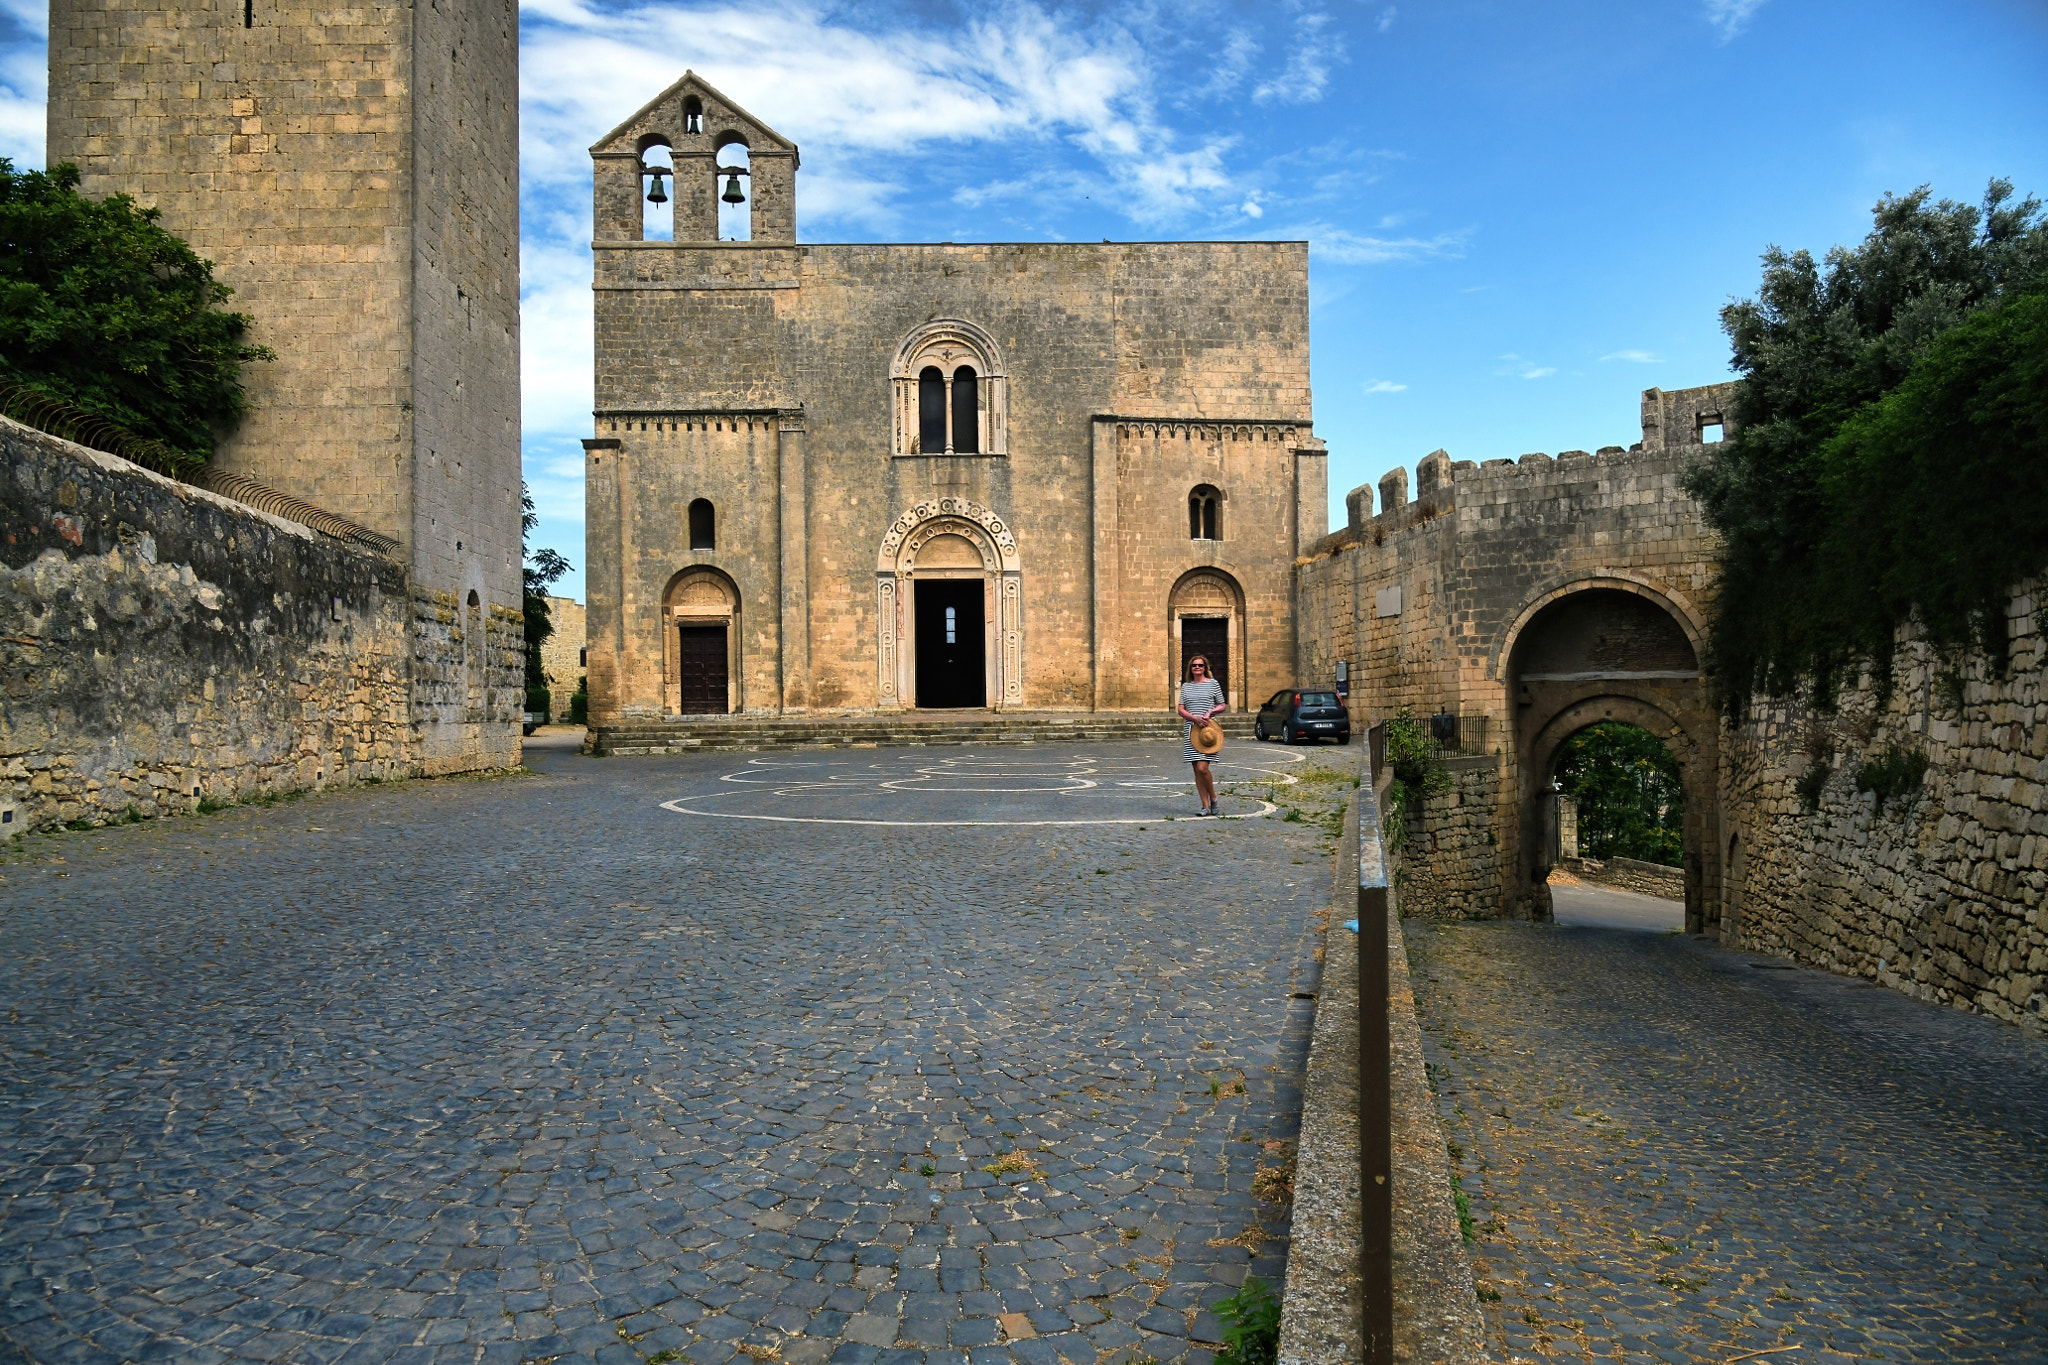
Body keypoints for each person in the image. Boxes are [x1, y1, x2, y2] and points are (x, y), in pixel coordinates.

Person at [1177, 654, 1227, 816]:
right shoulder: (1186, 687)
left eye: (1200, 665)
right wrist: (1193, 718)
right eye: (1194, 665)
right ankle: (1205, 806)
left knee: (1202, 767)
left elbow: (1222, 705)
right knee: (1196, 770)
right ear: (1190, 668)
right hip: (1192, 730)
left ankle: (1213, 798)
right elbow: (1181, 709)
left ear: (1205, 668)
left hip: (1208, 731)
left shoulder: (1213, 684)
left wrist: (1209, 713)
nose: (1197, 667)